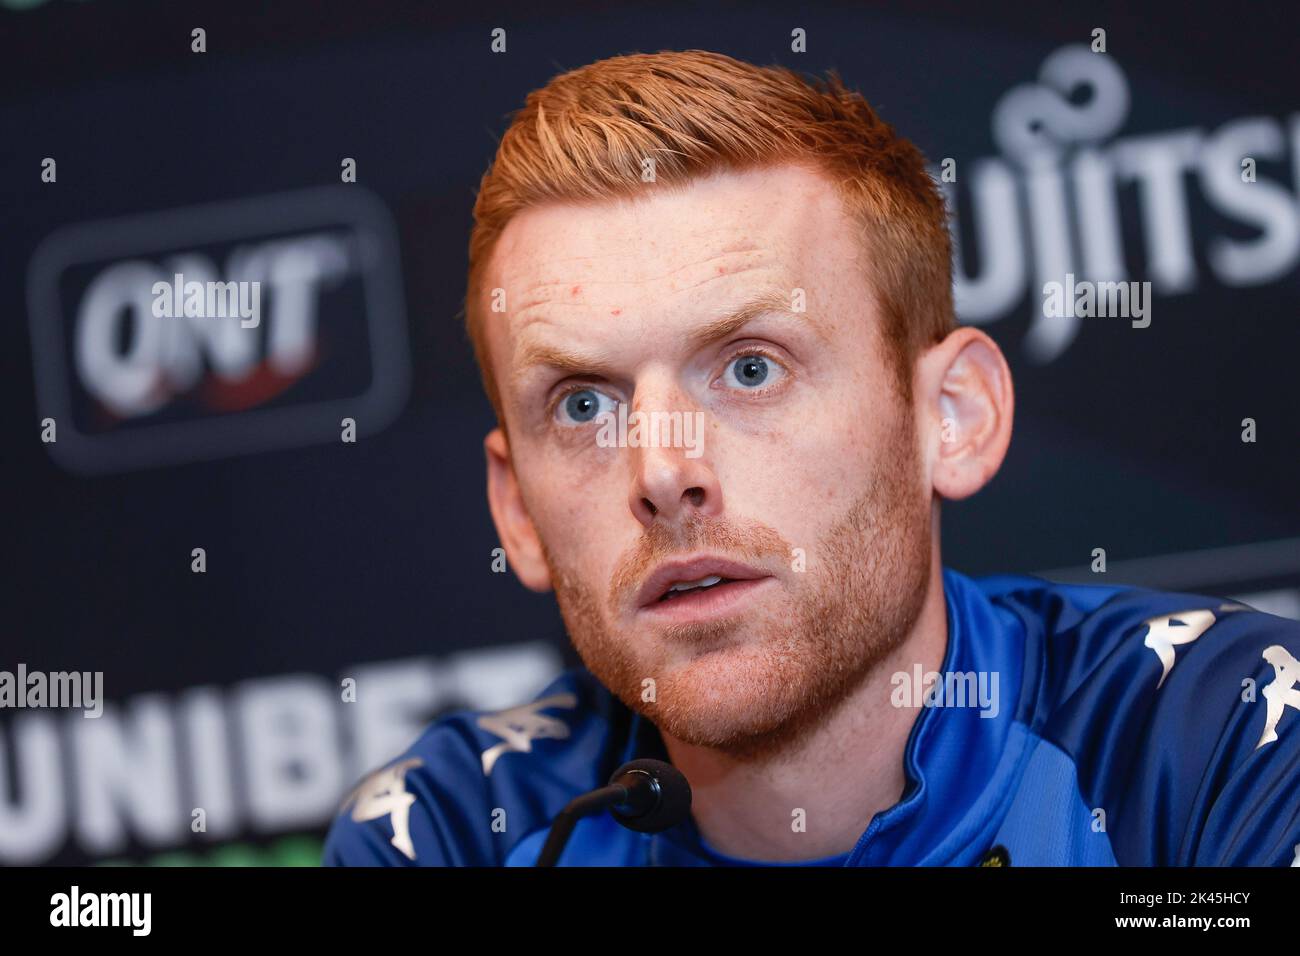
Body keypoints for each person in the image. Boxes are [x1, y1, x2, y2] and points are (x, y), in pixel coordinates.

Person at [324, 50, 1300, 866]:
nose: (662, 472)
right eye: (583, 403)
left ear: (948, 417)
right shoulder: (450, 830)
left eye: (750, 367)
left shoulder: (1219, 736)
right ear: (517, 512)